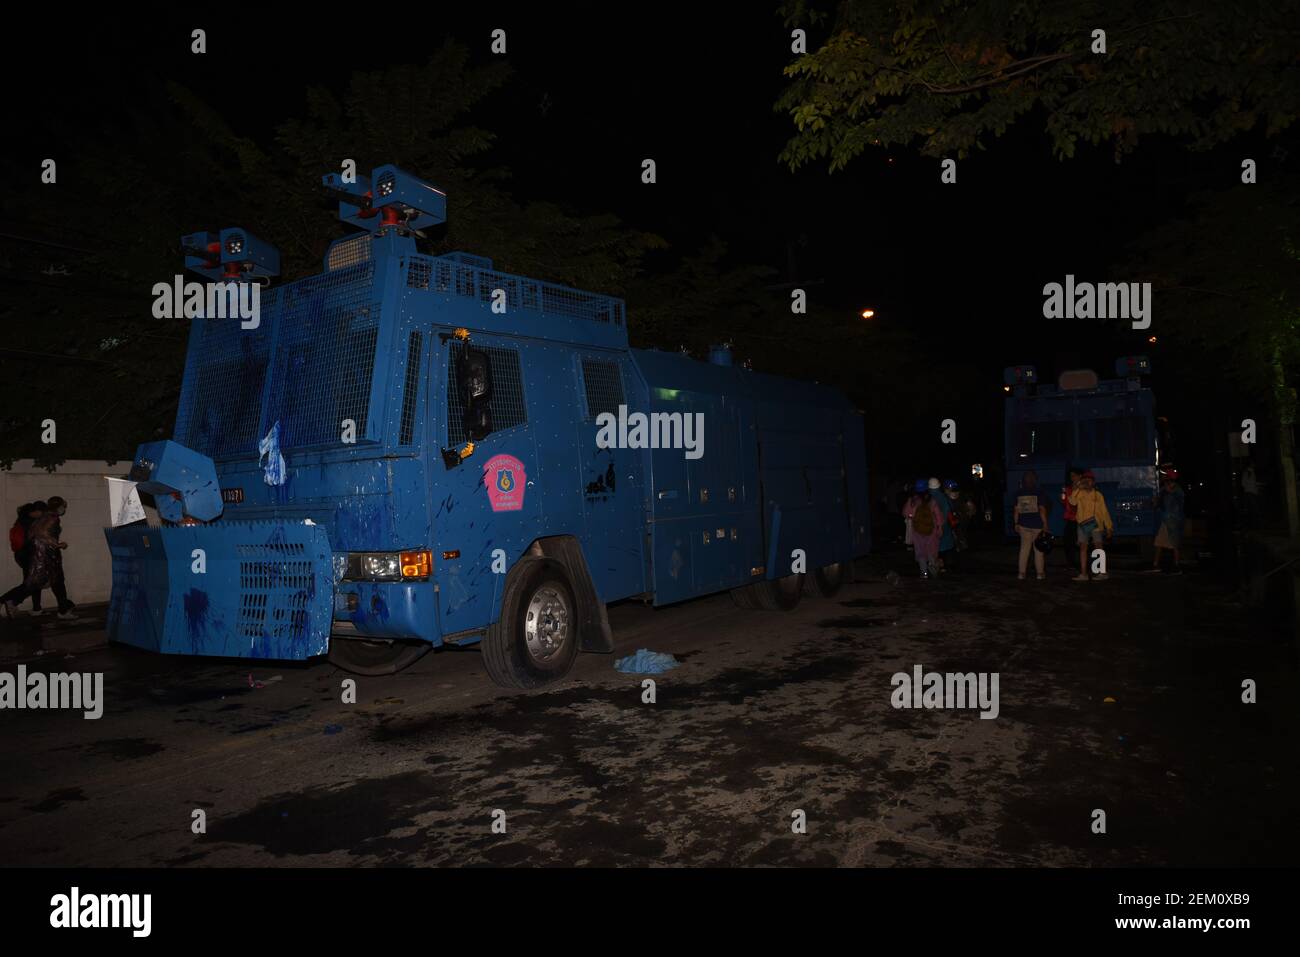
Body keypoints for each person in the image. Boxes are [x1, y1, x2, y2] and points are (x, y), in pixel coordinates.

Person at [0, 497, 76, 620]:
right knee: (40, 582)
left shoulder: (42, 517)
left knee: (50, 582)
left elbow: (34, 534)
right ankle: (11, 600)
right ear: (59, 507)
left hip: (40, 555)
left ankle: (59, 609)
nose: (64, 509)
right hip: (47, 556)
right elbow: (42, 533)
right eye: (63, 506)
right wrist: (57, 544)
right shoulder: (52, 518)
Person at [1069, 470, 1114, 581]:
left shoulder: (1098, 495)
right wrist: (1077, 488)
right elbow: (1072, 502)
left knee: (1098, 548)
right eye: (1085, 480)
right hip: (1082, 524)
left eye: (1090, 480)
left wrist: (1109, 527)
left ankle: (1102, 573)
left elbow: (1104, 511)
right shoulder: (1079, 493)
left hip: (1096, 525)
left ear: (1093, 482)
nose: (1088, 482)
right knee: (1083, 548)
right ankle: (1083, 574)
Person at [6, 502, 46, 615]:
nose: (41, 514)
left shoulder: (22, 520)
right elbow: (34, 541)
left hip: (23, 555)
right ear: (33, 512)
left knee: (33, 582)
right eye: (40, 512)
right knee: (33, 583)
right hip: (29, 556)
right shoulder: (30, 523)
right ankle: (9, 600)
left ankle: (36, 608)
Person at [1146, 469, 1186, 574]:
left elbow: (1178, 503)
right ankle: (1156, 565)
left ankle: (1176, 566)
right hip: (1166, 520)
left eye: (1167, 477)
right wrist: (1154, 502)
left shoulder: (1177, 491)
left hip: (1173, 520)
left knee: (1174, 543)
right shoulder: (1166, 490)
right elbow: (1158, 503)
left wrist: (1160, 498)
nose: (1165, 478)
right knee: (1160, 542)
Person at [1012, 471, 1050, 580]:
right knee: (1038, 550)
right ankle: (1040, 574)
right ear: (1035, 480)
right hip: (1037, 525)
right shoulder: (1039, 492)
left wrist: (1016, 523)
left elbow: (1016, 510)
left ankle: (1021, 573)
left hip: (1023, 525)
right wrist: (1045, 523)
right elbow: (1042, 509)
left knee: (1024, 549)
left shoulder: (1018, 493)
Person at [904, 481, 942, 579]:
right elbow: (938, 516)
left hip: (917, 530)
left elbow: (906, 513)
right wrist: (939, 527)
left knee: (920, 551)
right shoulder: (932, 501)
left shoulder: (913, 501)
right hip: (931, 530)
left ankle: (924, 573)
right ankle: (933, 571)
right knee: (931, 550)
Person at [1060, 468, 1082, 574]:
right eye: (1071, 476)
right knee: (1067, 542)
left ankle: (1081, 565)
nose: (1072, 478)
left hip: (1080, 519)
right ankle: (1071, 564)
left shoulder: (1083, 488)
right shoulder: (1068, 488)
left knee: (1080, 543)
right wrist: (1063, 494)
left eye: (1074, 475)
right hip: (1070, 518)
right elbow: (1064, 502)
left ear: (1079, 476)